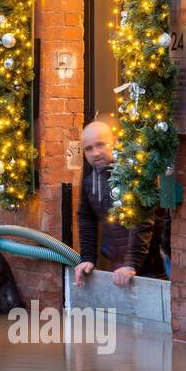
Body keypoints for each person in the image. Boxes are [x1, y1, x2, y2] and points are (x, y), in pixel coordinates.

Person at [73, 121, 166, 288]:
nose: (95, 153)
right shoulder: (90, 177)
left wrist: (131, 264)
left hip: (150, 266)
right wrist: (87, 258)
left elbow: (142, 220)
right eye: (89, 148)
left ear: (115, 141)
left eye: (100, 145)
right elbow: (87, 218)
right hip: (116, 266)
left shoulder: (134, 170)